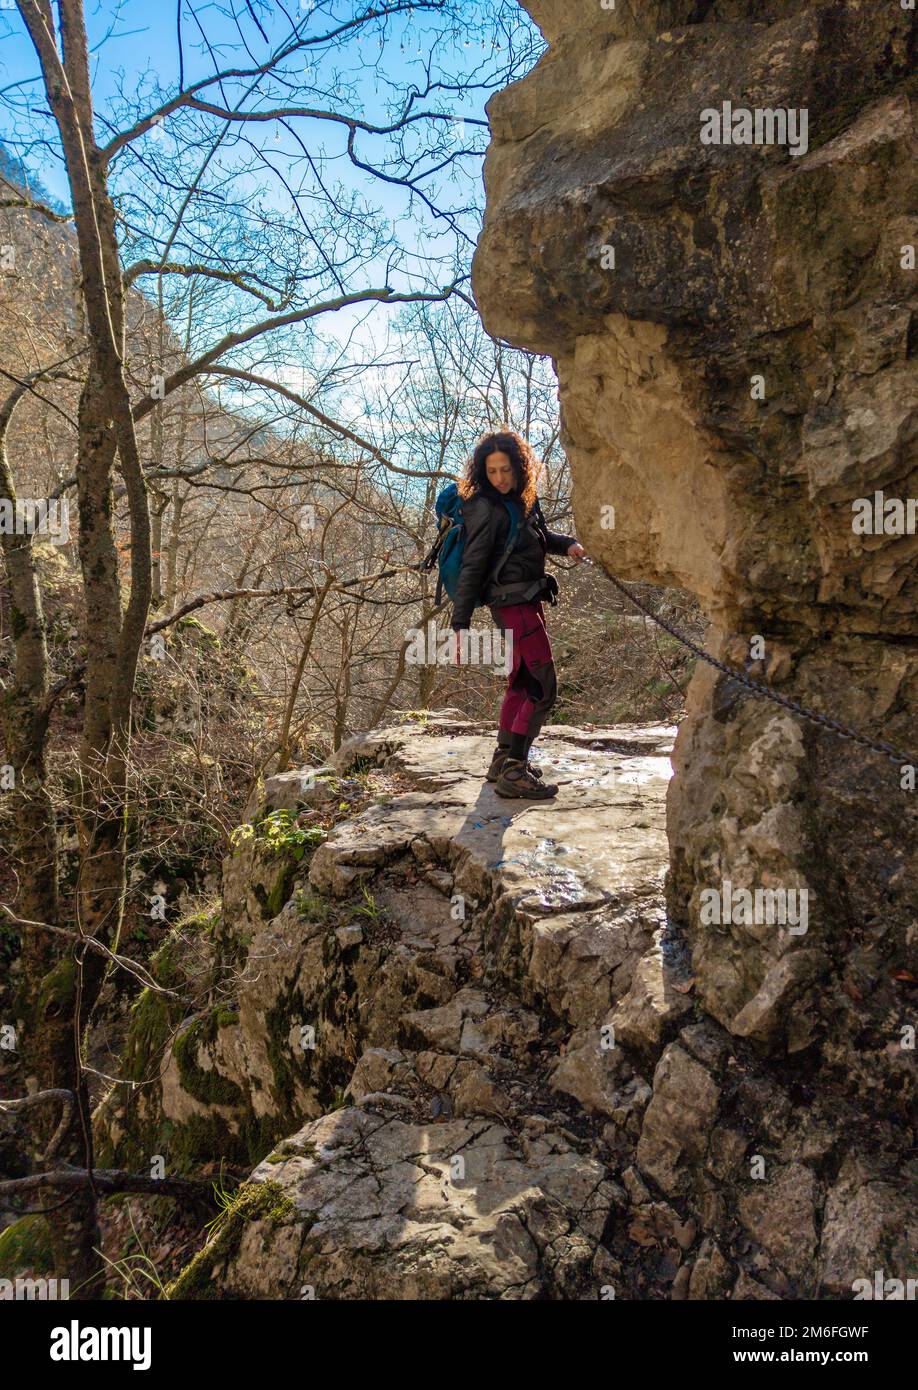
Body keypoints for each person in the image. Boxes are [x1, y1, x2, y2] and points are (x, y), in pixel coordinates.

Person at [450, 430, 586, 799]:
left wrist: (568, 544)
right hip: (512, 606)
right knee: (543, 686)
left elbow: (538, 536)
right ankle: (515, 769)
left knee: (522, 681)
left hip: (525, 602)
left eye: (506, 470)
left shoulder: (523, 500)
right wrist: (459, 625)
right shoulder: (486, 508)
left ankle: (502, 759)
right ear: (482, 472)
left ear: (519, 467)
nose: (500, 478)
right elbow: (473, 566)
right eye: (492, 471)